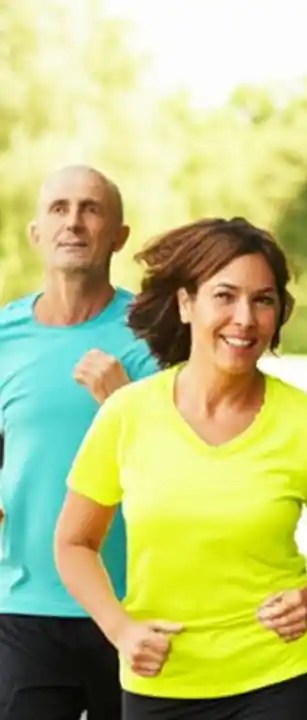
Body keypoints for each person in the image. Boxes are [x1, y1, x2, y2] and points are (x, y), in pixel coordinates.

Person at [53, 217, 307, 720]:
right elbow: (74, 543)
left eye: (263, 300)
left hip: (282, 676)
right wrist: (120, 629)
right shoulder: (127, 413)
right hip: (162, 680)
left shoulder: (304, 421)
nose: (244, 318)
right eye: (224, 296)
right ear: (186, 304)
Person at [0, 165, 158, 720]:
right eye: (59, 209)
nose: (74, 222)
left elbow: (188, 462)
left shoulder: (155, 333)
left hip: (136, 607)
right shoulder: (3, 336)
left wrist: (126, 403)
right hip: (24, 610)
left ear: (118, 235)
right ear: (36, 232)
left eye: (91, 209)